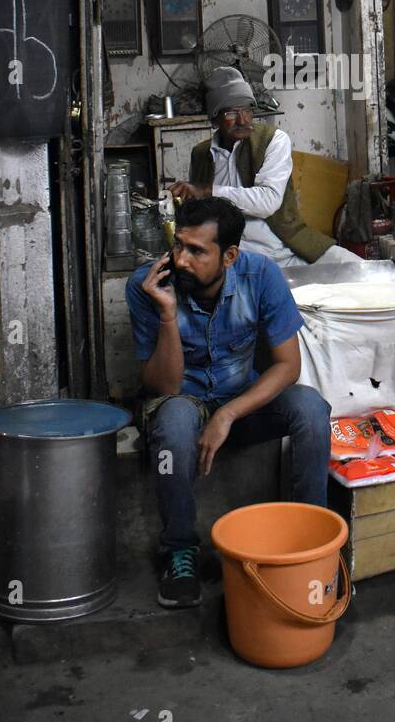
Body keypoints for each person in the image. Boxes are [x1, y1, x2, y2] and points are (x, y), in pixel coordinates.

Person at [126, 194, 331, 610]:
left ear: (230, 255)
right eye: (178, 245)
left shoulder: (261, 276)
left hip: (237, 402)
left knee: (311, 408)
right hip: (179, 400)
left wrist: (228, 413)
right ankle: (179, 550)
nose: (181, 260)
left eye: (197, 250)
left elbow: (287, 366)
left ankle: (312, 540)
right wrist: (167, 314)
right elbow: (164, 385)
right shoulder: (146, 285)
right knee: (178, 420)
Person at [168, 65, 361, 268]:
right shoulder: (201, 154)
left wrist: (207, 191)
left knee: (357, 268)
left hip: (287, 247)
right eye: (231, 113)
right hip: (237, 257)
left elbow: (268, 201)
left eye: (248, 110)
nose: (243, 120)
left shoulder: (273, 140)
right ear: (215, 118)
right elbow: (198, 214)